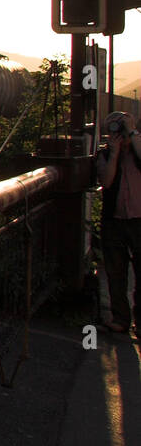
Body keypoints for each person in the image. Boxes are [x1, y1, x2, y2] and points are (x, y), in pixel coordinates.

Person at [96, 110, 141, 334]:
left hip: (139, 220)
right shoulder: (104, 155)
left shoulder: (137, 150)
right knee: (116, 272)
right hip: (114, 221)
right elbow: (106, 181)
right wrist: (114, 155)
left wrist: (132, 133)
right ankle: (121, 319)